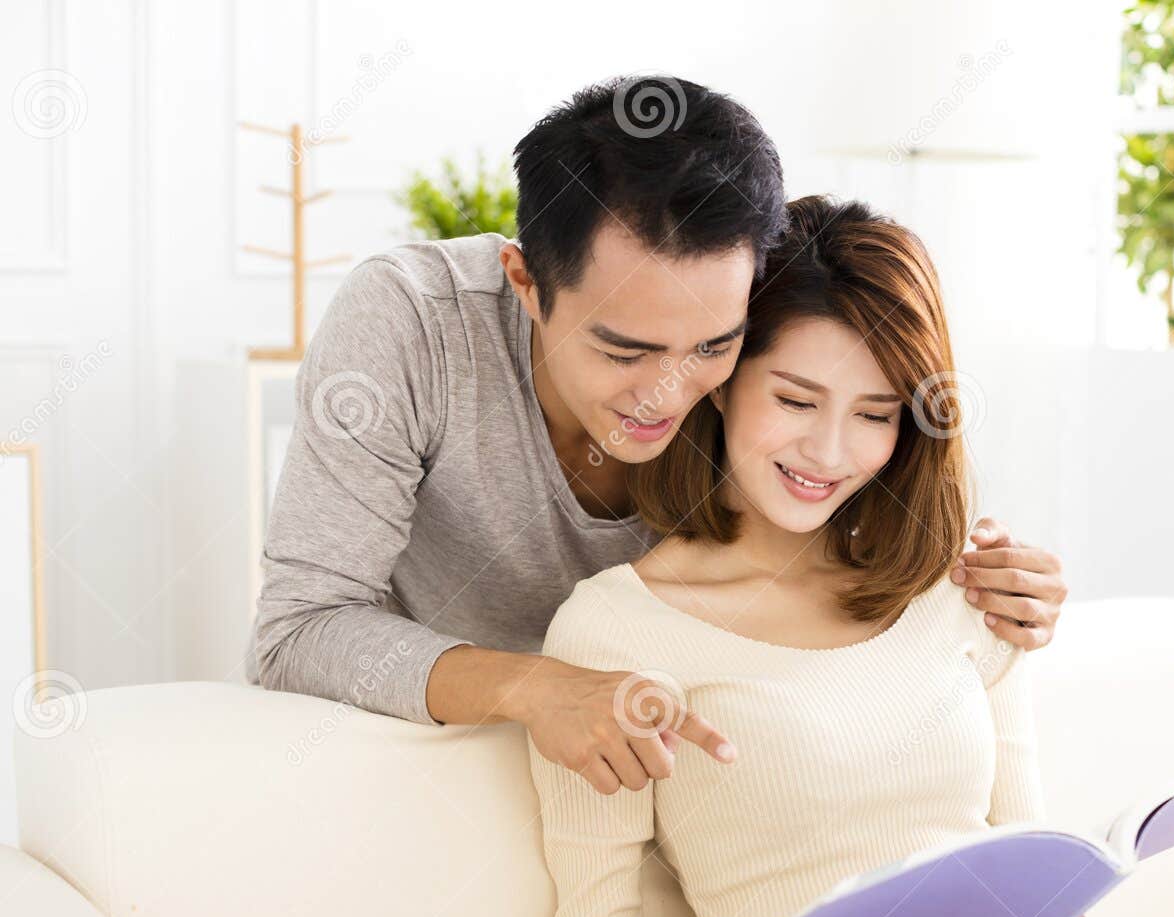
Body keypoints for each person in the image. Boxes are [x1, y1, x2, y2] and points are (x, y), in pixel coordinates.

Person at [527, 196, 1174, 917]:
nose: (829, 451)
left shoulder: (964, 589)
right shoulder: (617, 628)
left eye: (875, 412)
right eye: (795, 398)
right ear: (724, 381)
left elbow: (1025, 844)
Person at [250, 76, 1069, 793]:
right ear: (526, 281)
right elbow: (297, 632)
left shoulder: (756, 368)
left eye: (715, 345)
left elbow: (837, 464)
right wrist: (538, 687)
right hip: (427, 752)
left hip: (669, 777)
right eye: (624, 350)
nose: (668, 394)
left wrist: (985, 573)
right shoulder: (410, 325)